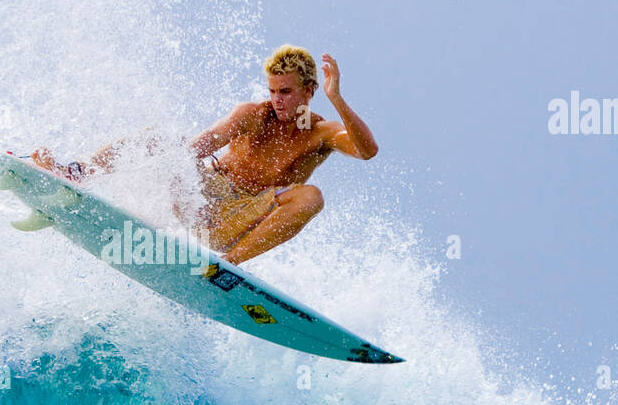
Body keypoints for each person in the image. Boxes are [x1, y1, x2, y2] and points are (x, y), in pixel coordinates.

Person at [29, 45, 379, 264]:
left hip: (238, 220)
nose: (277, 100)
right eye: (272, 91)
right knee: (163, 138)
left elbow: (368, 151)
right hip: (204, 199)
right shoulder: (252, 115)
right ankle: (77, 173)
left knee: (311, 198)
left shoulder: (320, 134)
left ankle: (226, 267)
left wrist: (337, 99)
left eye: (286, 92)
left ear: (310, 91)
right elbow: (199, 147)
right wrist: (168, 162)